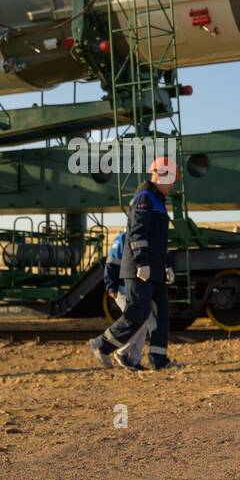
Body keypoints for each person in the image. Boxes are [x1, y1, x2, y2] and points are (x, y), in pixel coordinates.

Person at [89, 157, 180, 371]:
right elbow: (137, 233)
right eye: (171, 179)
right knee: (137, 314)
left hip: (155, 270)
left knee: (161, 315)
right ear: (160, 176)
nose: (173, 185)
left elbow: (160, 241)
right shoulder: (144, 198)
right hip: (140, 270)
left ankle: (159, 360)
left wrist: (166, 265)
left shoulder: (158, 201)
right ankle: (101, 345)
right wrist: (141, 263)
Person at [103, 229, 157, 369]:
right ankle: (122, 353)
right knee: (137, 320)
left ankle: (134, 360)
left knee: (143, 321)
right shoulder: (123, 237)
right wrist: (111, 286)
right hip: (122, 288)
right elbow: (112, 262)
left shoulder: (142, 236)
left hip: (136, 289)